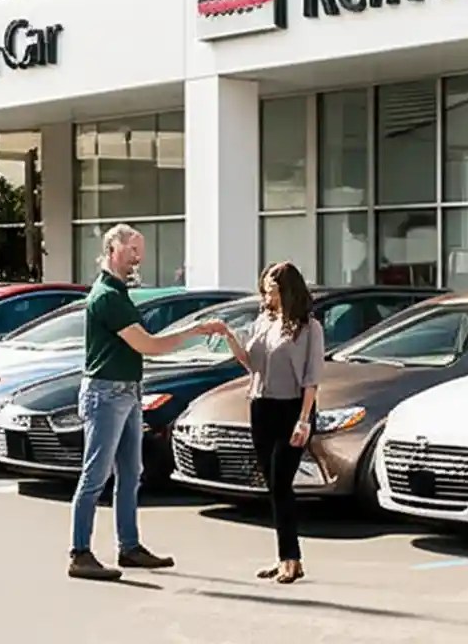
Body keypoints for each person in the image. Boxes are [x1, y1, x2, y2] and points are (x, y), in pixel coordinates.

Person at [68, 223, 227, 581]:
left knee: (131, 473)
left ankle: (129, 547)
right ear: (113, 250)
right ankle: (80, 553)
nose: (138, 259)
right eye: (132, 252)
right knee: (96, 475)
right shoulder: (107, 295)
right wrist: (194, 331)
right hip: (107, 393)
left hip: (125, 390)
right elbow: (148, 345)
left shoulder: (119, 292)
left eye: (140, 251)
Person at [221, 260, 324, 584]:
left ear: (287, 290)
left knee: (281, 484)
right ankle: (288, 557)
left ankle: (288, 558)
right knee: (274, 487)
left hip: (294, 410)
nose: (267, 295)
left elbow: (312, 379)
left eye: (272, 289)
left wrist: (304, 421)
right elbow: (251, 364)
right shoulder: (263, 321)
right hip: (261, 407)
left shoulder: (309, 327)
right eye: (264, 289)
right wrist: (227, 336)